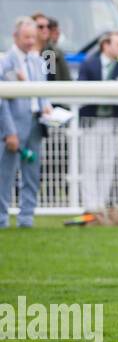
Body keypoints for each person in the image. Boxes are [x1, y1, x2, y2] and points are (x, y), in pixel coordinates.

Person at [0, 17, 54, 228]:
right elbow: (2, 103)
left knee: (32, 174)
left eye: (33, 37)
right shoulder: (5, 62)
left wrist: (46, 106)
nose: (31, 41)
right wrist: (8, 132)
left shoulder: (39, 61)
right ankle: (2, 219)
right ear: (15, 36)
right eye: (26, 37)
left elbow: (43, 92)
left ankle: (26, 218)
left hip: (35, 124)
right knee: (5, 174)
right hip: (13, 126)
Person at [77, 30, 118, 218]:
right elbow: (83, 88)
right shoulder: (89, 63)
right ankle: (90, 204)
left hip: (112, 122)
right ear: (105, 45)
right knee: (90, 163)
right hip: (92, 121)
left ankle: (101, 204)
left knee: (107, 163)